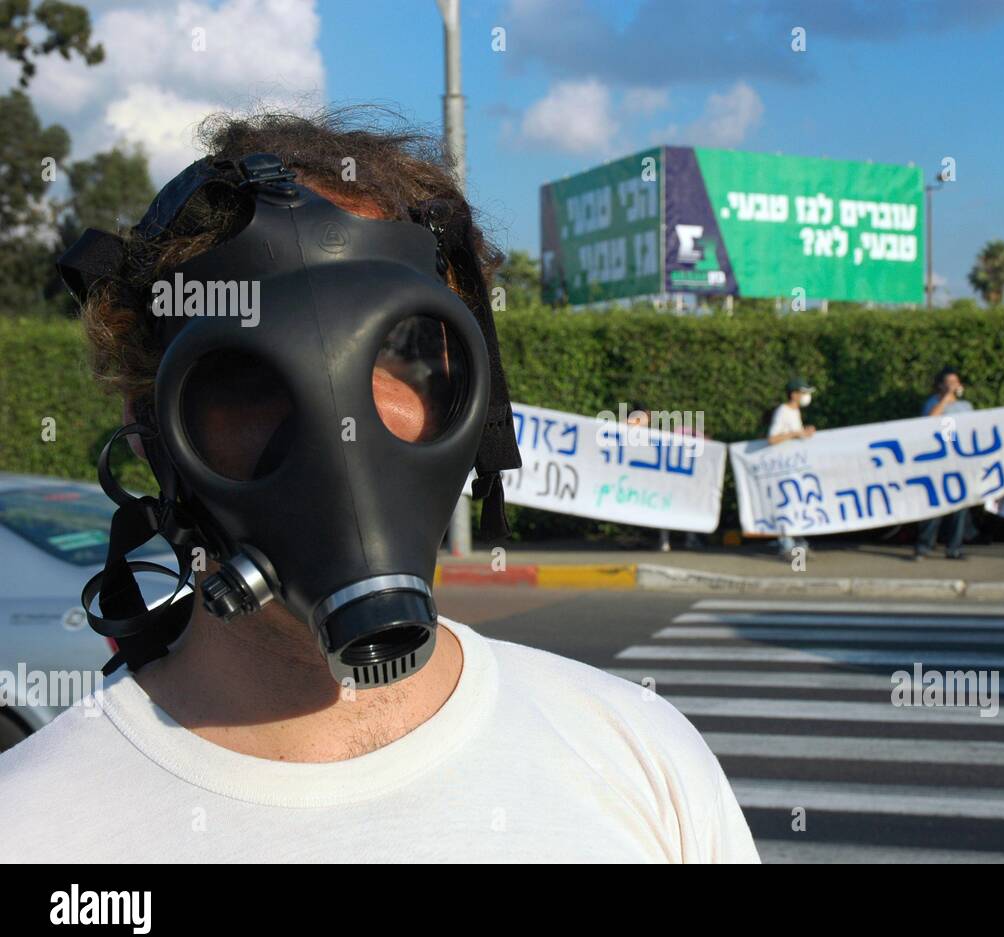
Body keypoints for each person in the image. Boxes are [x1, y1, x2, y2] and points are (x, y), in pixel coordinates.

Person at [0, 108, 758, 864]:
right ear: (152, 431)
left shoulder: (644, 762)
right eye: (246, 374)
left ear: (474, 397)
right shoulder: (33, 827)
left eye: (404, 349)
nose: (346, 425)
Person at [912, 366, 974, 561]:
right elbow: (928, 422)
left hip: (959, 460)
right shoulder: (933, 403)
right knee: (934, 504)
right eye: (948, 383)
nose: (952, 386)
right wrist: (945, 401)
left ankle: (954, 547)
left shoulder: (966, 407)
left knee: (960, 507)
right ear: (940, 386)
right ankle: (924, 545)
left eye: (955, 382)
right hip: (937, 461)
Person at [626, 402, 704, 553]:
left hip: (660, 478)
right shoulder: (636, 430)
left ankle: (671, 541)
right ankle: (680, 540)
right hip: (658, 478)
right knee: (671, 507)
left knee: (668, 507)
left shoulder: (651, 433)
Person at [766, 376, 817, 557]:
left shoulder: (795, 412)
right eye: (803, 393)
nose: (806, 396)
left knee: (798, 505)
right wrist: (796, 433)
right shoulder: (783, 411)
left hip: (794, 467)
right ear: (794, 394)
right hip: (782, 467)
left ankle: (799, 545)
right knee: (786, 506)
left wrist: (804, 434)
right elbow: (772, 439)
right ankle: (787, 545)